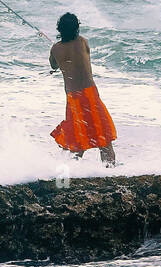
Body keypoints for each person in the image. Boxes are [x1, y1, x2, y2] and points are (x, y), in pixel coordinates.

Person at [49, 12, 117, 166]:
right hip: (90, 95)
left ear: (59, 30)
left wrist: (55, 50)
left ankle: (70, 173)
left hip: (73, 98)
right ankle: (111, 171)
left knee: (76, 142)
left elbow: (53, 65)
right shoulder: (83, 42)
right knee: (104, 140)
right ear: (77, 28)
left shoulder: (55, 49)